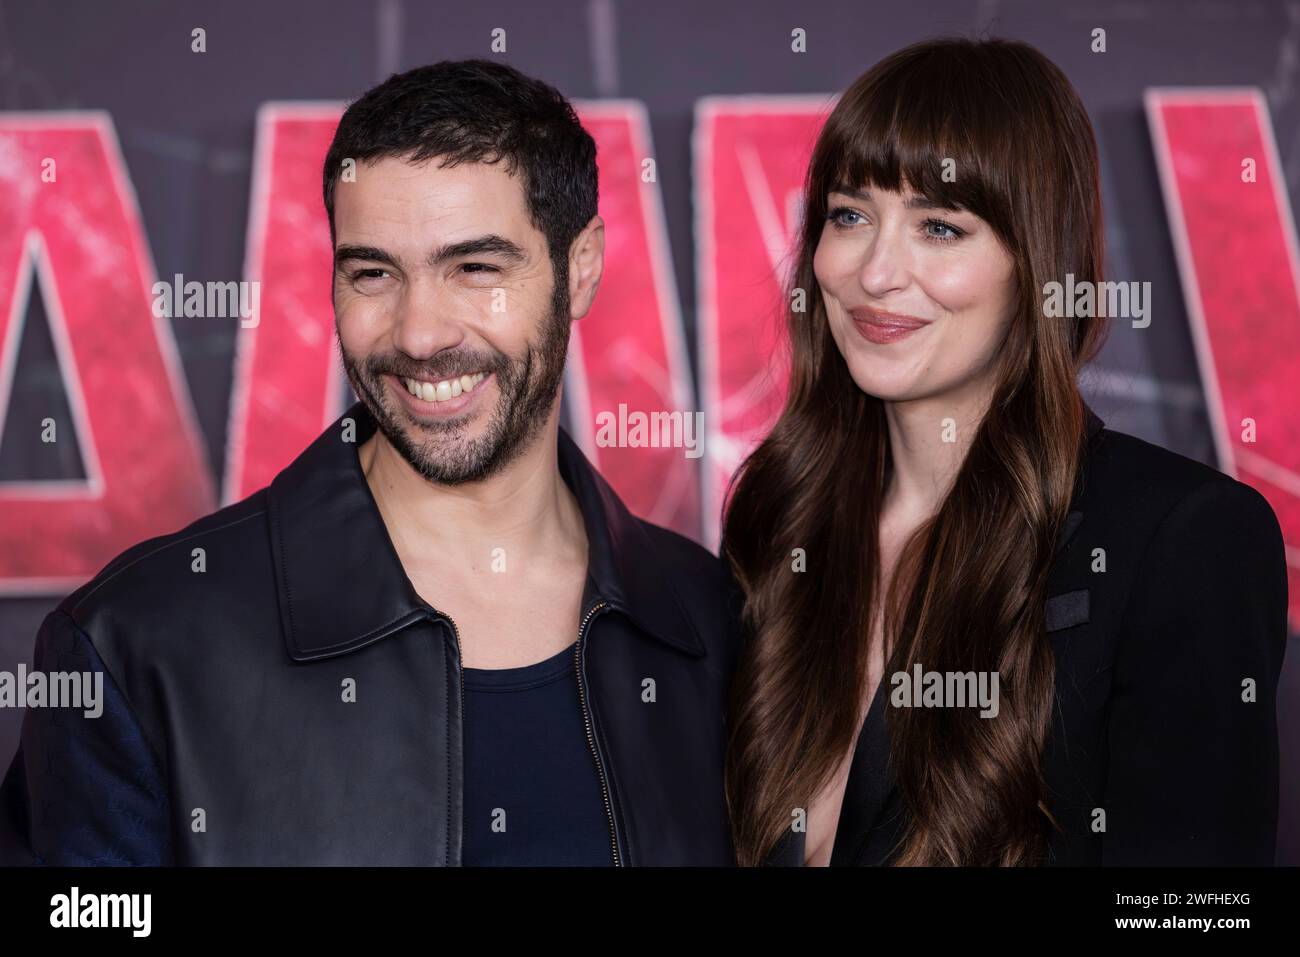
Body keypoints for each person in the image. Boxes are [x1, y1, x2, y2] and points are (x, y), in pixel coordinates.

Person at [0, 59, 740, 866]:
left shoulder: (709, 624)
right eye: (373, 274)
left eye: (476, 268)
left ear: (582, 268)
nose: (419, 334)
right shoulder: (136, 643)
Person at [721, 37, 1289, 867]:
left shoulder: (1179, 538)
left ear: (1039, 264)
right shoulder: (779, 519)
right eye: (850, 215)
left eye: (941, 227)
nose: (876, 272)